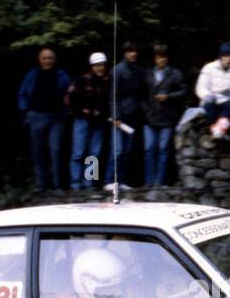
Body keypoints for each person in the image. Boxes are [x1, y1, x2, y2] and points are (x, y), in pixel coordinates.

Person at [17, 46, 71, 192]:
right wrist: (26, 111)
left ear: (55, 60)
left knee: (56, 150)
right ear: (39, 60)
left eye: (50, 58)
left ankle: (57, 185)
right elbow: (22, 94)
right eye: (44, 58)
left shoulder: (61, 75)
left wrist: (68, 107)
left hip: (57, 118)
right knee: (38, 151)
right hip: (37, 116)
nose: (48, 61)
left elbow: (71, 93)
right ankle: (41, 185)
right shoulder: (32, 75)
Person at [142, 44, 186, 186]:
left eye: (164, 57)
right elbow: (141, 95)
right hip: (150, 118)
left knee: (163, 150)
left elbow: (183, 91)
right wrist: (146, 110)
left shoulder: (175, 74)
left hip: (167, 118)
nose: (161, 60)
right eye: (159, 57)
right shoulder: (147, 73)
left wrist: (168, 96)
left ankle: (159, 182)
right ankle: (149, 181)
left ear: (167, 59)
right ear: (155, 59)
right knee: (149, 149)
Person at [67, 54, 111, 190]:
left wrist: (102, 114)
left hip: (98, 123)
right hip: (82, 121)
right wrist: (83, 111)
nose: (100, 68)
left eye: (102, 65)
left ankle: (89, 182)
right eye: (97, 65)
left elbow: (108, 103)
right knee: (78, 153)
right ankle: (75, 183)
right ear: (92, 67)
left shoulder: (107, 82)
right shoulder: (81, 81)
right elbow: (70, 100)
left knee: (94, 154)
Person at [110, 41, 144, 186]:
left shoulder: (137, 70)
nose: (133, 54)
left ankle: (121, 181)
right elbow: (113, 95)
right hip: (119, 116)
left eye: (135, 51)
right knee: (117, 150)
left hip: (132, 115)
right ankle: (109, 180)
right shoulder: (117, 70)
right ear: (124, 53)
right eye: (130, 51)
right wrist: (116, 116)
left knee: (127, 151)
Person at [196, 44, 230, 141]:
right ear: (220, 57)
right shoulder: (209, 67)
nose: (228, 59)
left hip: (226, 100)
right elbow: (201, 86)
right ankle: (219, 131)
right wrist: (207, 95)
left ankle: (219, 131)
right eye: (225, 56)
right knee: (210, 107)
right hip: (211, 98)